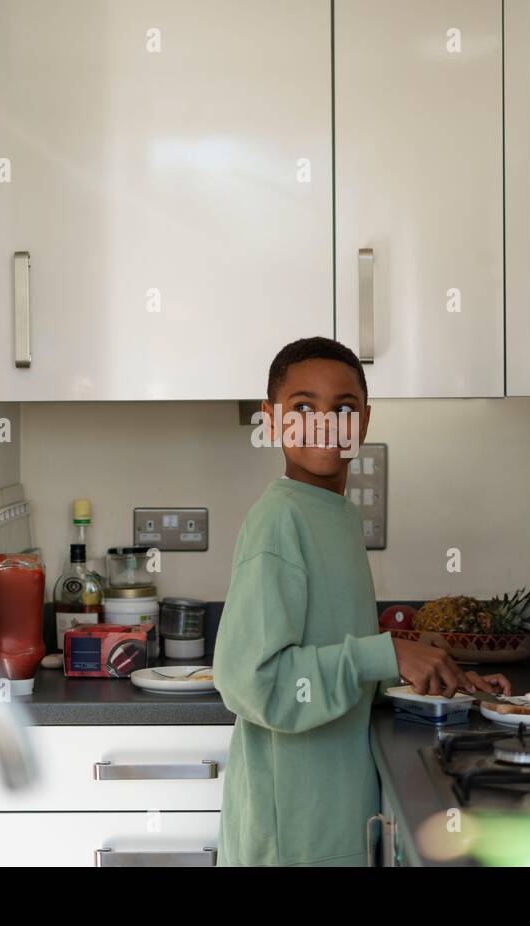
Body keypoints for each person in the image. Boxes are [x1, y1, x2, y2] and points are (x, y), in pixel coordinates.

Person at [212, 337, 511, 866]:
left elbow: (338, 657)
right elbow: (251, 680)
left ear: (365, 421)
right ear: (272, 419)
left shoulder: (335, 515)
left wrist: (443, 679)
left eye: (342, 408)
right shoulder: (279, 520)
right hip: (293, 837)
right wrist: (388, 652)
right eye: (303, 407)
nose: (325, 422)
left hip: (334, 817)